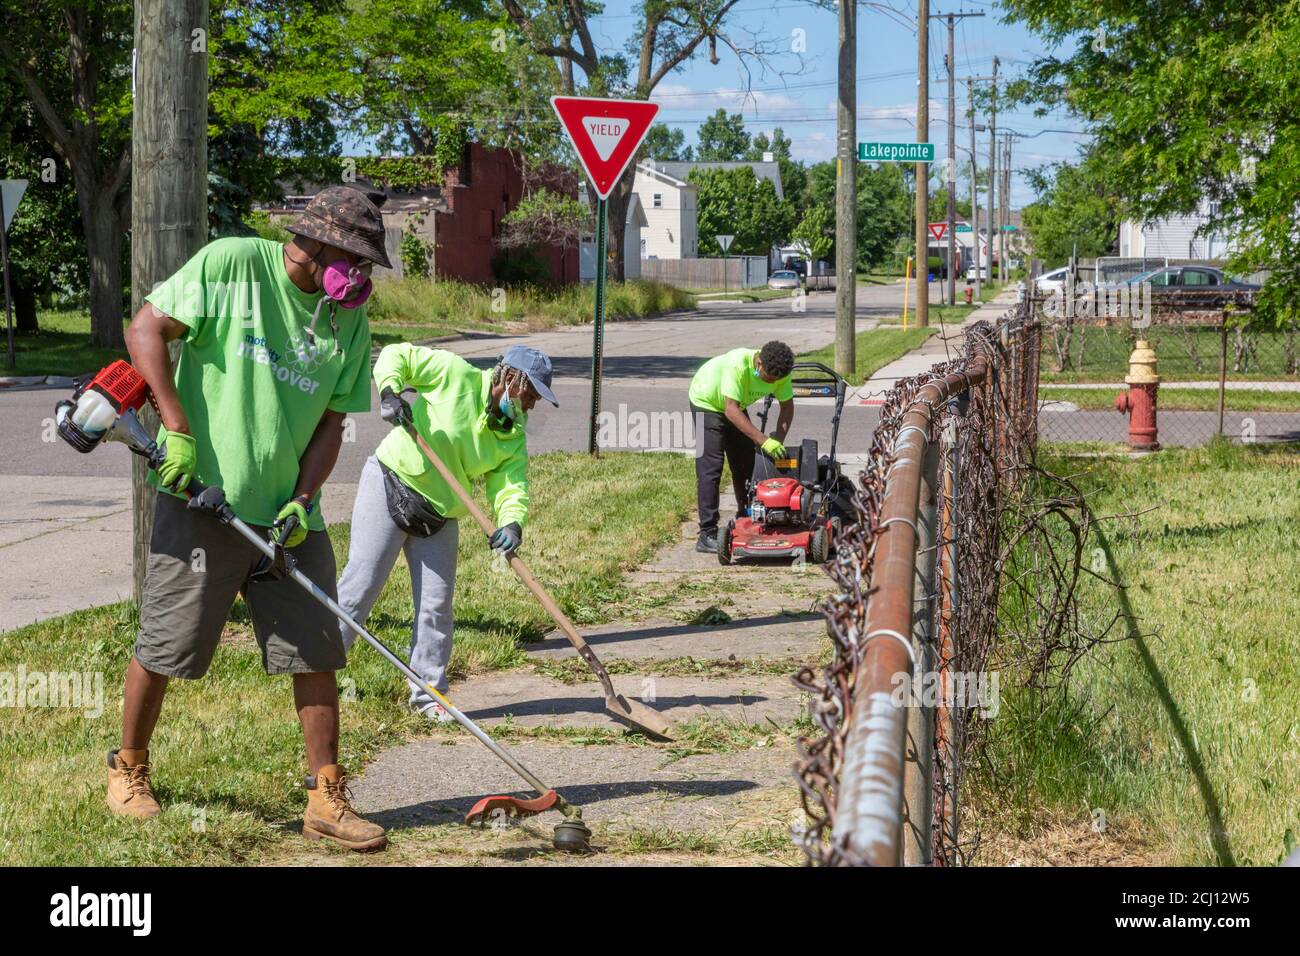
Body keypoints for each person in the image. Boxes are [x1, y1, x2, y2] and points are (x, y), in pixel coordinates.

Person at [109, 185, 390, 852]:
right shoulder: (232, 265)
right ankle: (128, 769)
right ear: (318, 242)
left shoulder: (345, 319)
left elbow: (331, 421)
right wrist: (174, 427)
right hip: (203, 499)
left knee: (316, 648)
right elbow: (145, 328)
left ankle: (326, 795)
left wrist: (304, 497)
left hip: (290, 517)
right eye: (358, 259)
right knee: (166, 644)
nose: (364, 277)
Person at [335, 343, 556, 721]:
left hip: (439, 513)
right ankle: (317, 671)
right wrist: (390, 391)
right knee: (361, 588)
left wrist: (511, 522)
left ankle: (429, 695)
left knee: (436, 606)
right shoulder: (455, 374)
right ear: (509, 378)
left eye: (536, 398)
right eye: (530, 394)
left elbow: (510, 485)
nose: (531, 405)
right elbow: (395, 355)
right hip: (392, 482)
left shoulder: (510, 435)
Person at [687, 340, 796, 552]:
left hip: (735, 405)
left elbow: (787, 406)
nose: (771, 383)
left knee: (745, 462)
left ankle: (745, 515)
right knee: (711, 467)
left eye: (775, 380)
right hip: (706, 401)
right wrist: (763, 439)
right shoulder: (737, 365)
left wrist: (777, 440)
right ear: (759, 364)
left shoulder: (782, 372)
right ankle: (706, 533)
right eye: (767, 378)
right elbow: (730, 410)